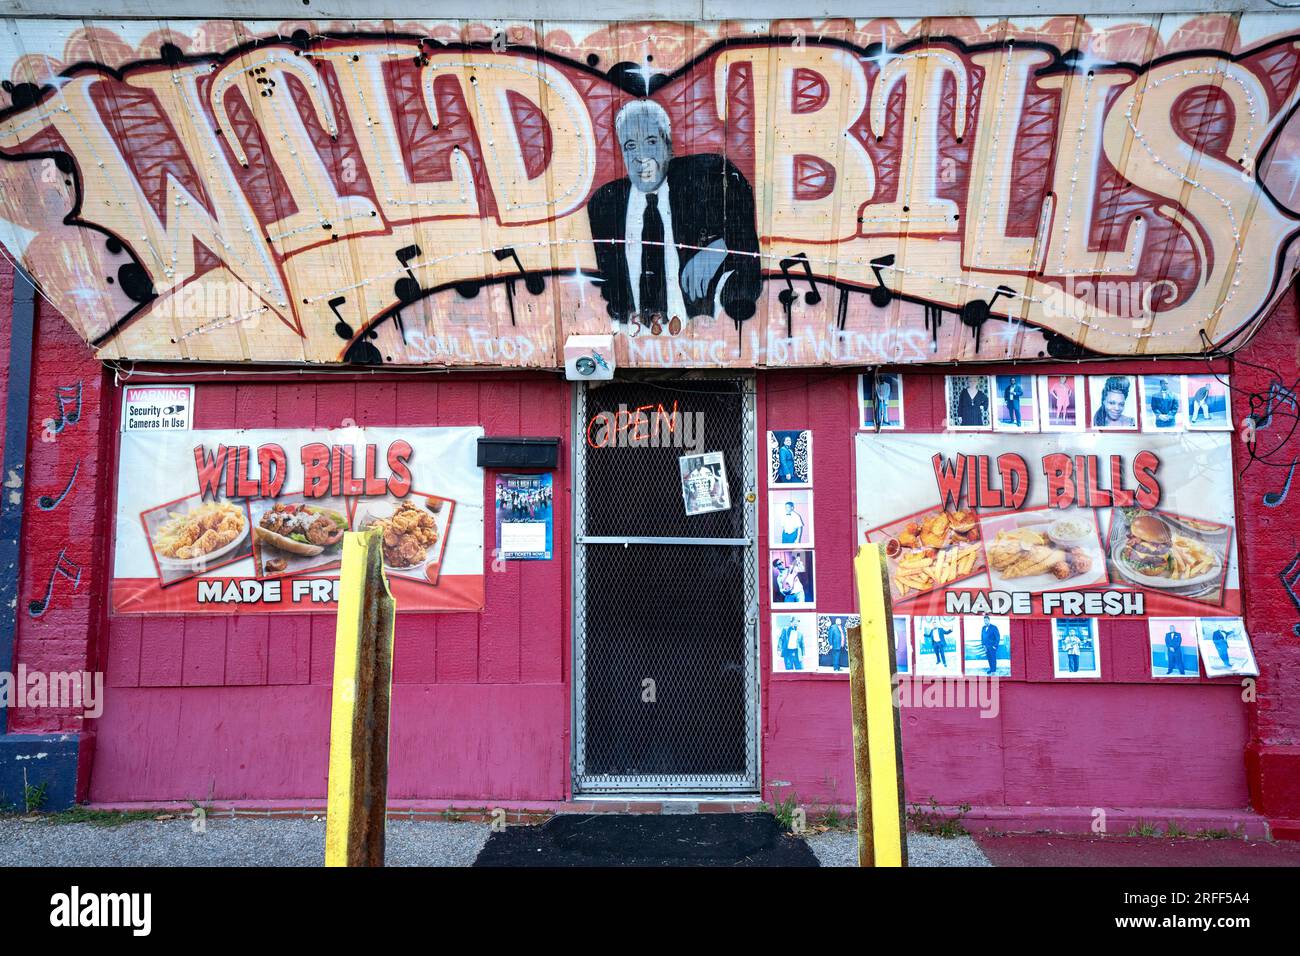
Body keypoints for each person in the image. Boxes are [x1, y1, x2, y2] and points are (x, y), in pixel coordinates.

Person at [587, 99, 761, 325]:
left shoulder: (703, 181)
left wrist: (720, 248)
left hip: (699, 338)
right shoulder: (605, 205)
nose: (641, 157)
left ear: (668, 147)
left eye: (651, 142)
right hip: (634, 339)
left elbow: (748, 245)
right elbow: (606, 287)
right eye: (630, 145)